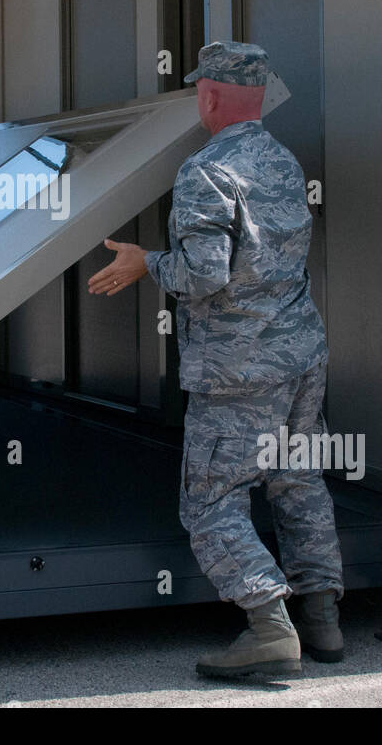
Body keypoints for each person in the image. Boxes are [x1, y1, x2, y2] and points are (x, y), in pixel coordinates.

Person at [87, 40, 344, 679]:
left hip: (240, 368)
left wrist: (144, 262)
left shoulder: (206, 170)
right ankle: (324, 622)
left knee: (210, 499)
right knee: (297, 479)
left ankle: (267, 626)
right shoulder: (283, 162)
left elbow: (203, 275)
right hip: (302, 356)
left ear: (207, 96)